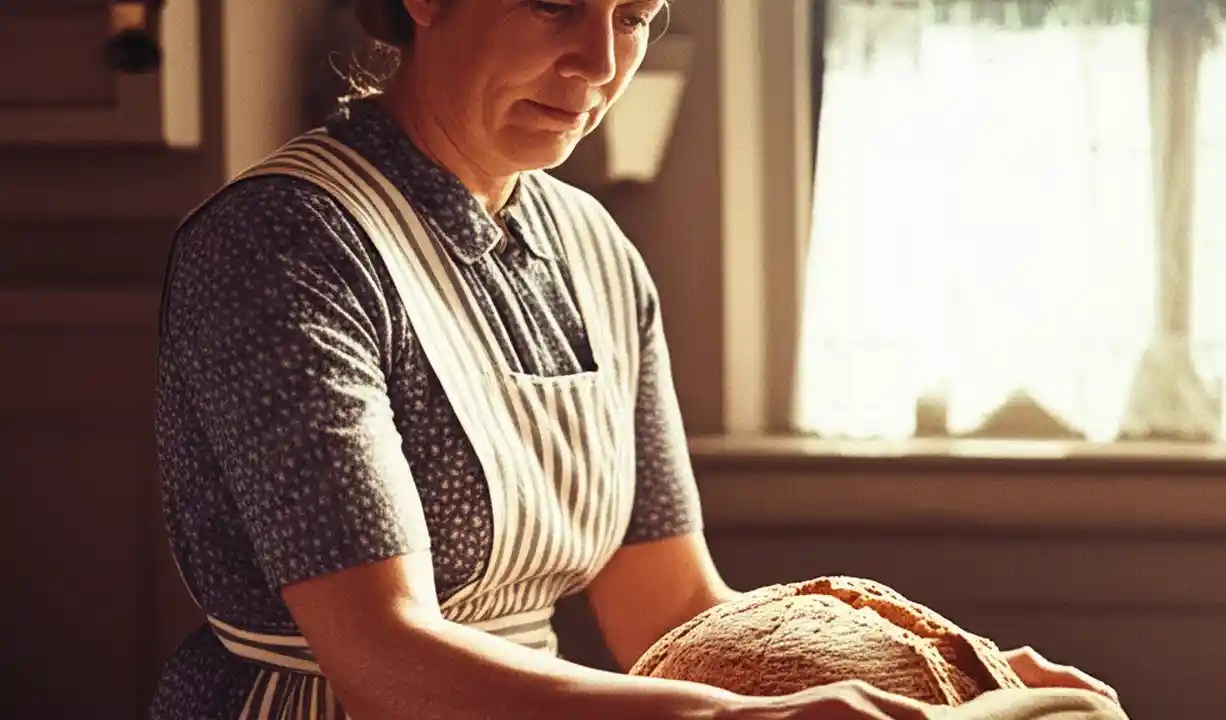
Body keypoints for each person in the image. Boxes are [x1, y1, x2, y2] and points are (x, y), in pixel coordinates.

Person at [149, 1, 1122, 718]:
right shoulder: (283, 245)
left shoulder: (592, 253)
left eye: (636, 16)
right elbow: (381, 658)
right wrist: (729, 719)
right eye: (556, 9)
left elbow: (673, 611)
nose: (600, 64)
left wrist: (953, 673)